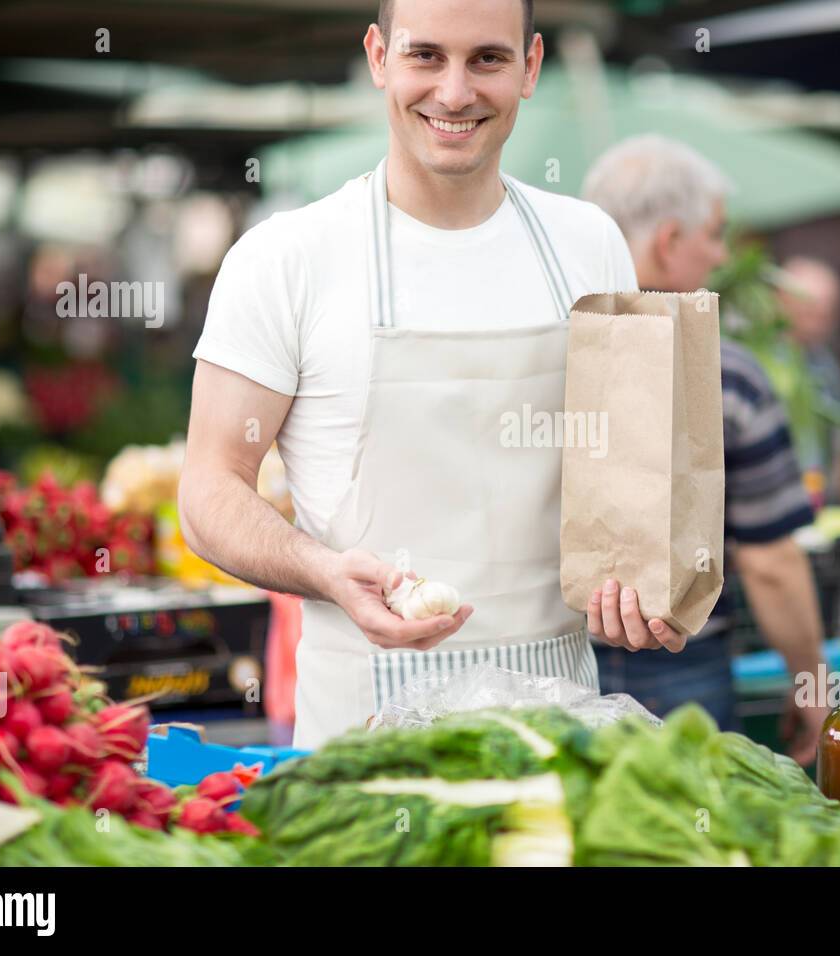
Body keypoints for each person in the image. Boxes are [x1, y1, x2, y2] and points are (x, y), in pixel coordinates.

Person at [178, 0, 688, 749]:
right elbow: (208, 489)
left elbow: (635, 475)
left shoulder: (591, 245)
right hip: (365, 736)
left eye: (487, 58)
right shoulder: (285, 259)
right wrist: (321, 571)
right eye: (426, 57)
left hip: (561, 731)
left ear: (532, 67)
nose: (454, 93)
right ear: (379, 57)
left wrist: (650, 581)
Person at [581, 134, 828, 763]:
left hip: (550, 668)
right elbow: (770, 562)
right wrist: (812, 680)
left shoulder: (540, 355)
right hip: (679, 670)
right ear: (668, 243)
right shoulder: (727, 373)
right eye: (714, 234)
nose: (721, 253)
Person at [775, 256, 840, 508]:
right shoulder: (765, 362)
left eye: (827, 314)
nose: (818, 323)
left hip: (819, 497)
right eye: (809, 311)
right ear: (781, 303)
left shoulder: (825, 363)